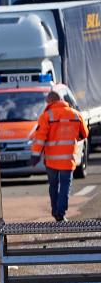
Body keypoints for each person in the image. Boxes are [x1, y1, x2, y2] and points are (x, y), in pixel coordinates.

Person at [31, 87, 88, 222]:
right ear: (61, 100)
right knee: (65, 185)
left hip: (51, 161)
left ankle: (55, 209)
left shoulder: (46, 116)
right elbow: (84, 134)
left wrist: (35, 154)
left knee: (53, 185)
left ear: (49, 102)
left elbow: (40, 137)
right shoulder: (75, 115)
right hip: (68, 160)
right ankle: (61, 213)